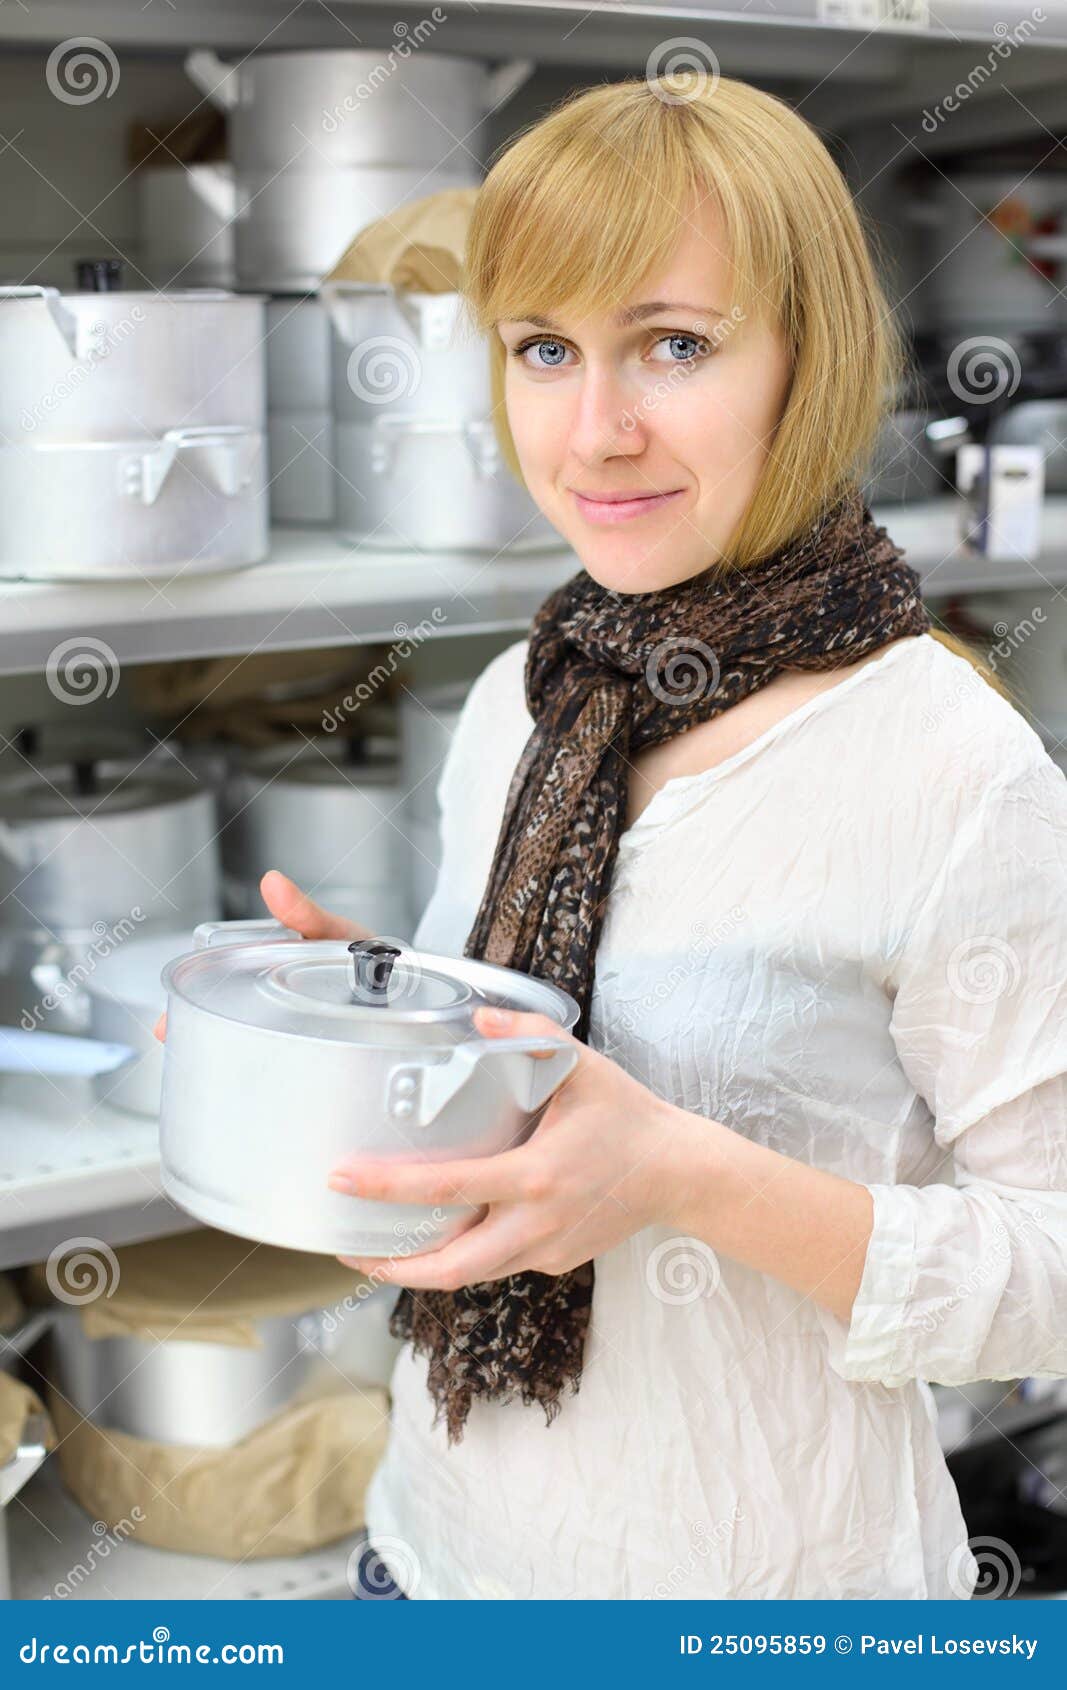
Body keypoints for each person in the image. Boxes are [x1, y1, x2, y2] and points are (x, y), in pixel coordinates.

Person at [161, 72, 1067, 1599]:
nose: (596, 430)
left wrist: (683, 1175)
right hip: (431, 1556)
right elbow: (524, 1075)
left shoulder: (955, 769)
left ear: (809, 358)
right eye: (544, 348)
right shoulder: (533, 701)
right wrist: (382, 1016)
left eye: (676, 344)